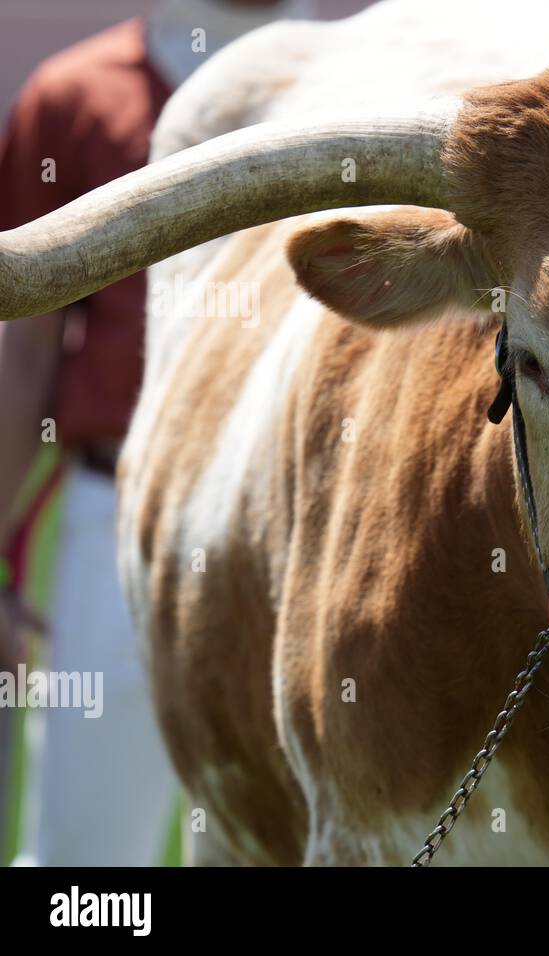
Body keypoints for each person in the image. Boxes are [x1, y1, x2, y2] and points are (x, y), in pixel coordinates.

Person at [0, 0, 315, 867]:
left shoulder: (356, 88)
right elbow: (25, 347)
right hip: (119, 515)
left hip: (302, 526)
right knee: (86, 863)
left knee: (305, 843)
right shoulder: (75, 97)